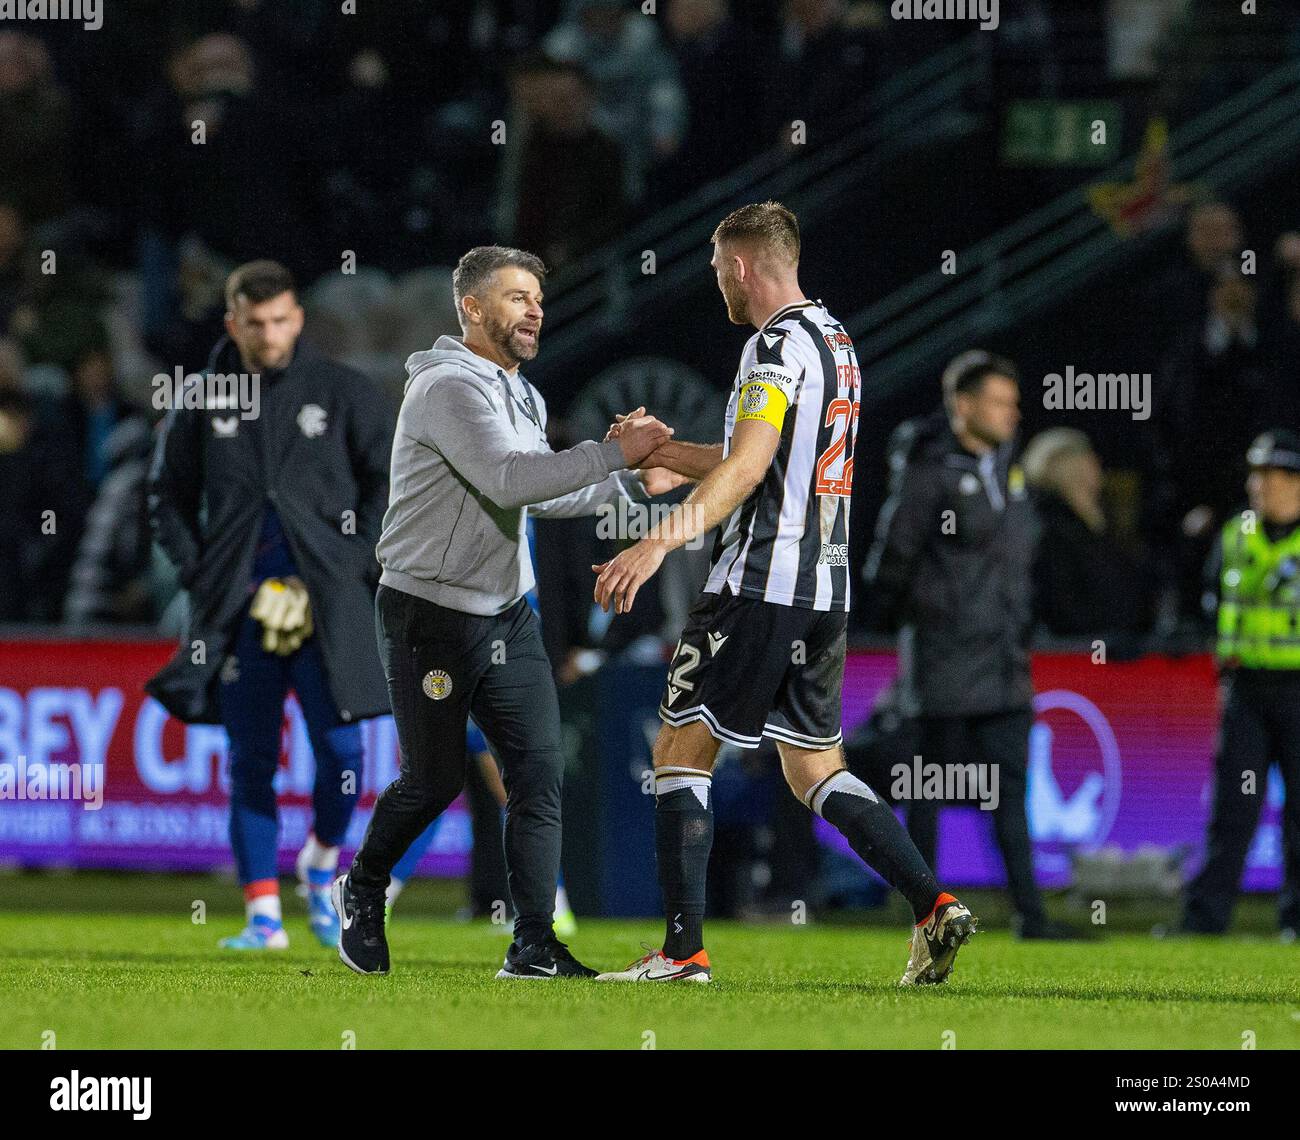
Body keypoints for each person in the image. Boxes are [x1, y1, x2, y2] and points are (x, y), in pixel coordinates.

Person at [592, 201, 977, 986]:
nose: (715, 283)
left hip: (758, 582)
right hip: (822, 591)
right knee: (814, 770)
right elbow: (766, 456)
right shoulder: (835, 340)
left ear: (741, 266)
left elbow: (748, 467)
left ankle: (681, 954)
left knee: (678, 753)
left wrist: (658, 540)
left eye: (716, 268)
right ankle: (933, 905)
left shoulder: (769, 346)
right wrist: (670, 456)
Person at [332, 245, 679, 979]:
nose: (535, 311)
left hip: (506, 613)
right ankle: (362, 886)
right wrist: (614, 454)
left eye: (538, 299)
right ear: (471, 307)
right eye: (518, 297)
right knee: (433, 782)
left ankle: (532, 944)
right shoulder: (446, 388)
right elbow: (507, 478)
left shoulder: (522, 393)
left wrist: (626, 484)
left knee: (538, 774)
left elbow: (542, 494)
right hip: (428, 612)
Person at [147, 260, 394, 951]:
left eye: (281, 319)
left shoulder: (345, 391)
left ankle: (320, 862)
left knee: (343, 754)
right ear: (233, 323)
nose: (270, 333)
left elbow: (390, 485)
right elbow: (165, 495)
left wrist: (351, 566)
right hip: (239, 611)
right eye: (255, 323)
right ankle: (263, 918)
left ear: (299, 318)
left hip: (328, 608)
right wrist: (201, 574)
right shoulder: (203, 398)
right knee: (249, 760)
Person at [865, 350, 1071, 940]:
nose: (1013, 413)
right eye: (999, 402)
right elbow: (892, 558)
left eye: (1013, 402)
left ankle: (1031, 917)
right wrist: (923, 618)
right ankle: (925, 913)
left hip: (1004, 660)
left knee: (1010, 788)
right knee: (927, 789)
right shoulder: (930, 471)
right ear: (963, 405)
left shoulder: (1010, 469)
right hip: (943, 659)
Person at [1180, 431, 1300, 939]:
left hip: (1296, 689)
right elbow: (1208, 599)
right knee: (1233, 807)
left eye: (1271, 476)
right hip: (1246, 690)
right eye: (1256, 475)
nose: (1259, 486)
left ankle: (1296, 921)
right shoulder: (1235, 534)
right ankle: (1204, 920)